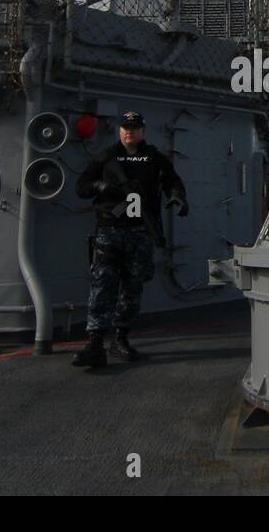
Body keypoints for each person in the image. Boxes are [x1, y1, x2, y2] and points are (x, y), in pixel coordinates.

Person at [72, 110, 188, 367]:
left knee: (132, 289)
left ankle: (120, 338)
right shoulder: (107, 157)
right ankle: (95, 344)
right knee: (102, 286)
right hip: (110, 230)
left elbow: (172, 181)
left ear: (143, 131)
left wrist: (178, 197)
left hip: (140, 233)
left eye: (134, 128)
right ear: (119, 130)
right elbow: (81, 186)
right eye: (125, 127)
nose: (128, 131)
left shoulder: (154, 158)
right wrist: (100, 187)